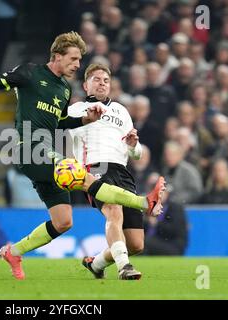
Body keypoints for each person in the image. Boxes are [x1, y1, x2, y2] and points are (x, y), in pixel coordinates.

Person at [0, 31, 165, 280]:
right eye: (73, 59)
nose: (77, 65)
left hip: (48, 153)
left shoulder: (63, 89)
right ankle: (143, 202)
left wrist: (84, 119)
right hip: (28, 148)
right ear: (57, 56)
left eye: (79, 60)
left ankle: (14, 252)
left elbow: (60, 123)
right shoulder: (29, 72)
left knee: (63, 221)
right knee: (80, 176)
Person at [67, 63, 150, 280]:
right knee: (113, 210)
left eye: (106, 80)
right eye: (96, 79)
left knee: (135, 243)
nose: (102, 83)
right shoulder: (77, 109)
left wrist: (133, 145)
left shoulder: (121, 111)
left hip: (122, 171)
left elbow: (137, 154)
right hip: (95, 168)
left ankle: (96, 264)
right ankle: (124, 267)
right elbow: (63, 132)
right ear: (86, 85)